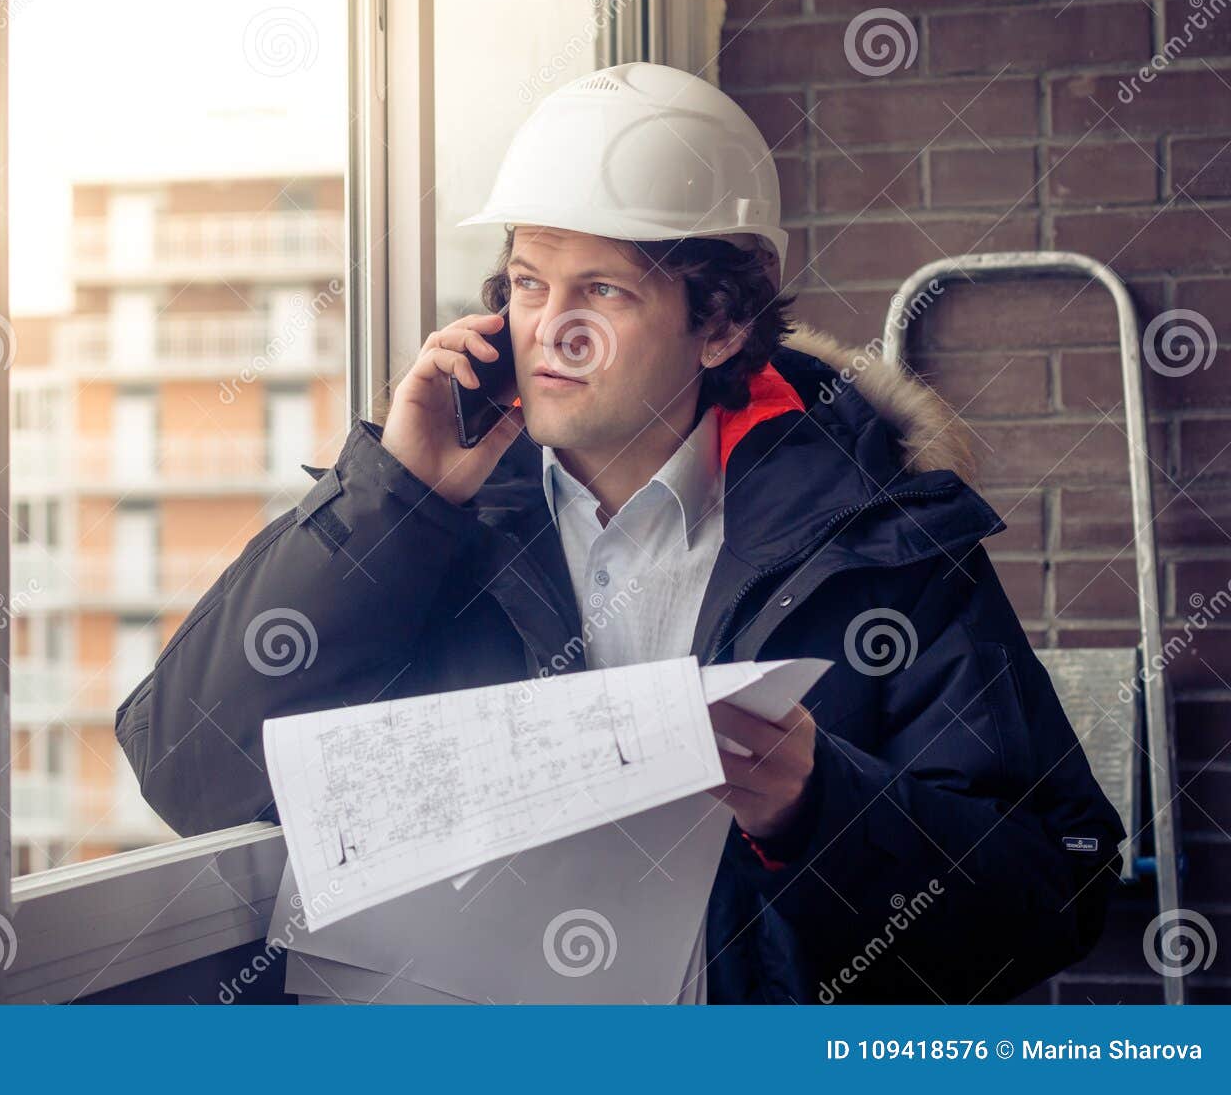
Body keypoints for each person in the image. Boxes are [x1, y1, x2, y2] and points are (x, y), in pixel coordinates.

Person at [115, 61, 1122, 1002]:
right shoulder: (426, 528)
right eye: (525, 281)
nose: (548, 328)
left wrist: (819, 804)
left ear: (721, 325)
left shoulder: (884, 536)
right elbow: (186, 769)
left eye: (601, 290)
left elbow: (1055, 888)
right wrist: (395, 498)